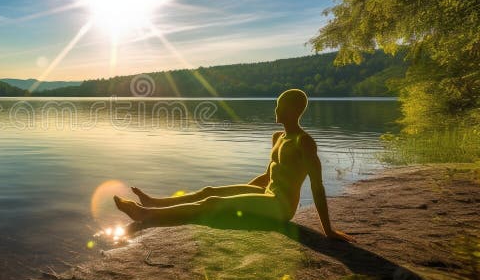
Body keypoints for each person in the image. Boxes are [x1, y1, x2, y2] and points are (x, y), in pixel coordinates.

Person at [113, 89, 355, 242]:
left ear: (292, 110)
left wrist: (328, 231)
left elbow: (318, 186)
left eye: (279, 105)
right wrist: (241, 191)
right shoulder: (278, 137)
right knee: (209, 191)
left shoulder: (304, 142)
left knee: (211, 204)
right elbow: (268, 173)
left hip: (280, 207)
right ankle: (155, 202)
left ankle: (145, 214)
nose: (275, 109)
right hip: (266, 193)